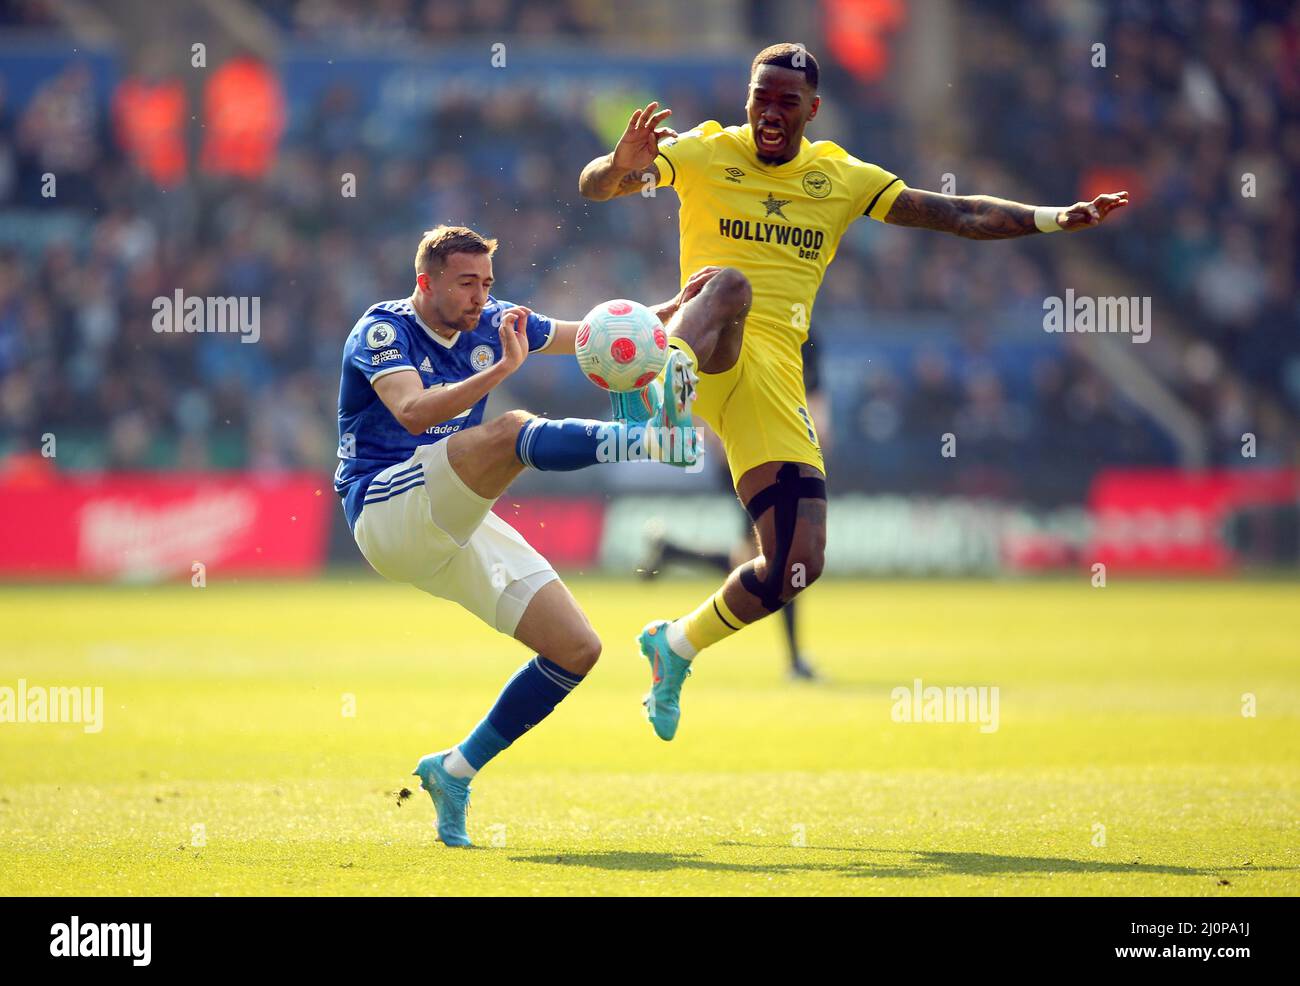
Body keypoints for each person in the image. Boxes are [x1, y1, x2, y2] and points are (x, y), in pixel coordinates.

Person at [578, 43, 1127, 741]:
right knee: (728, 284)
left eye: (786, 101)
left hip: (777, 381)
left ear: (813, 109)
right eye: (760, 97)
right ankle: (666, 390)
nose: (770, 112)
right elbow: (597, 187)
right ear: (747, 98)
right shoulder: (702, 150)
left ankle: (677, 645)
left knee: (795, 567)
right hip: (709, 343)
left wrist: (1054, 218)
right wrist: (617, 167)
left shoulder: (840, 176)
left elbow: (955, 212)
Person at [334, 224, 714, 843]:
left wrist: (660, 316)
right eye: (465, 284)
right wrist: (502, 371)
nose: (480, 297)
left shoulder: (495, 319)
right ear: (425, 282)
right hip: (384, 510)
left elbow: (582, 336)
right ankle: (644, 439)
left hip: (449, 520)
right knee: (511, 428)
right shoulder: (384, 330)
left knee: (576, 648)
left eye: (487, 282)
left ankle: (453, 771)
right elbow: (410, 410)